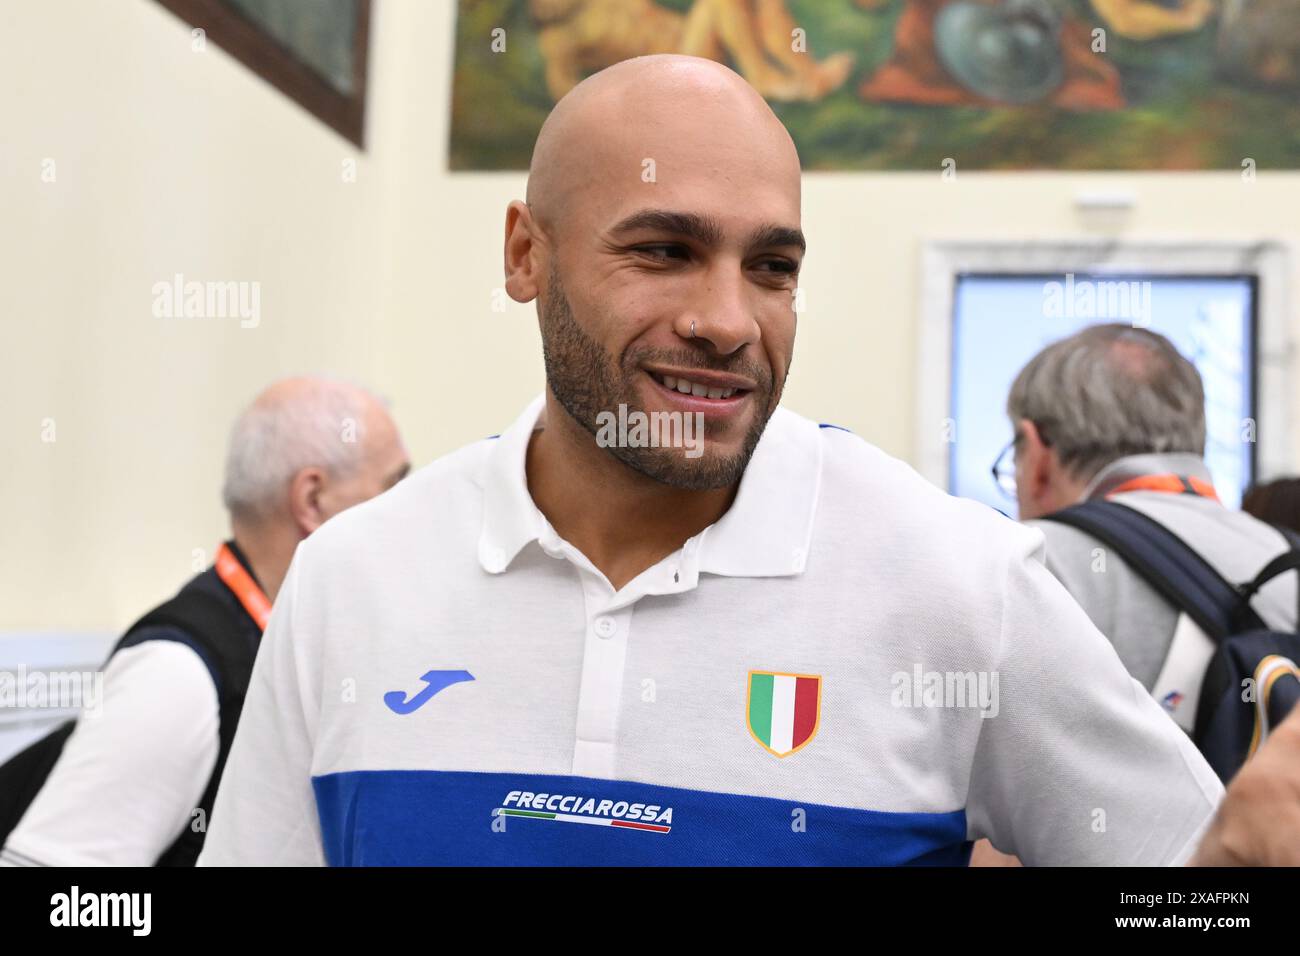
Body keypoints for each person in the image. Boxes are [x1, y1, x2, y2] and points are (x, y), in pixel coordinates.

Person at [199, 56, 1288, 867]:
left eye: (769, 266)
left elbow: (1189, 873)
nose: (727, 320)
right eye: (663, 250)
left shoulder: (960, 581)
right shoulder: (354, 579)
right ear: (525, 254)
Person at [0, 377, 409, 866]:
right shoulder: (177, 674)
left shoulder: (278, 646)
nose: (409, 514)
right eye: (394, 487)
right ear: (312, 499)